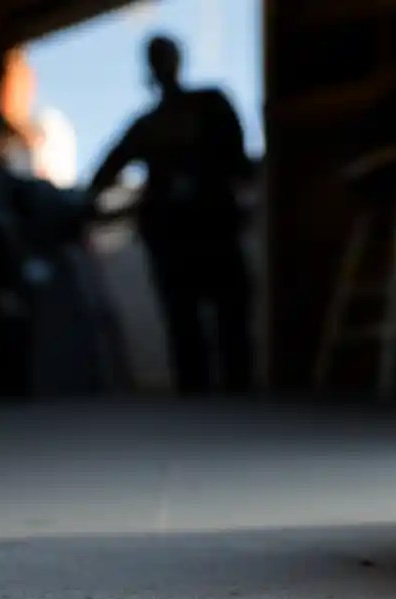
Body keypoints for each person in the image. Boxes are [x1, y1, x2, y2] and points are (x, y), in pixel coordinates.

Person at [87, 34, 257, 395]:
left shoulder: (207, 105)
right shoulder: (150, 124)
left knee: (229, 319)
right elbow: (103, 175)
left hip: (211, 224)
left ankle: (236, 400)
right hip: (173, 233)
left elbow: (238, 162)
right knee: (187, 323)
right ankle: (199, 403)